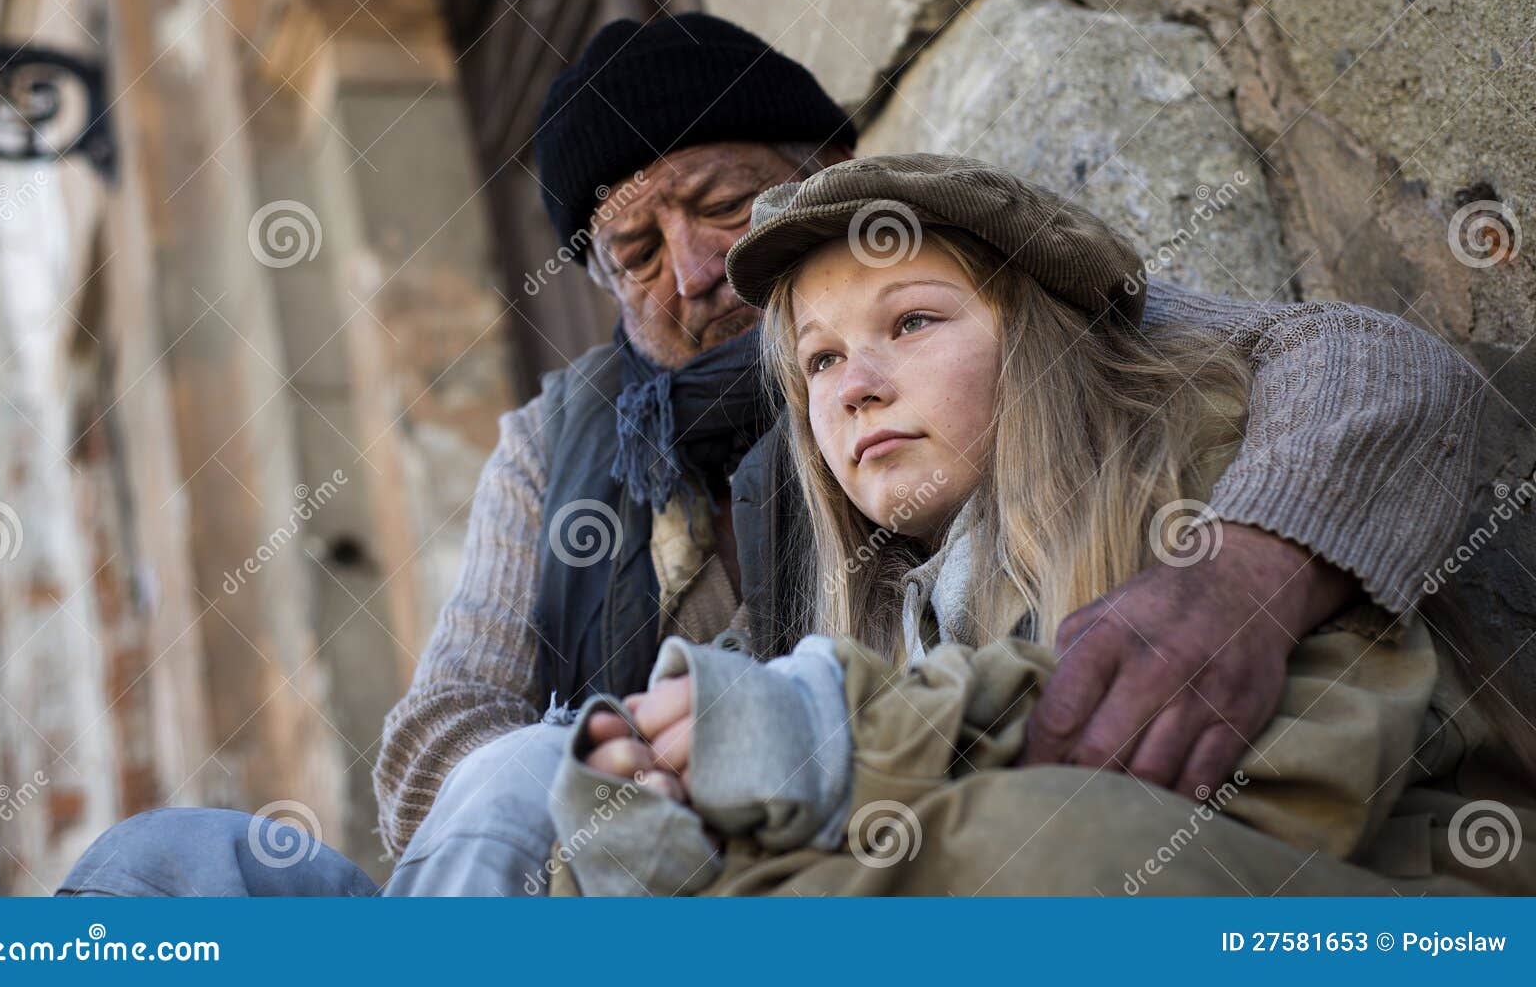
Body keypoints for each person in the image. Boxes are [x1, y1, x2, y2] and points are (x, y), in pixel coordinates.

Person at [58, 15, 1484, 897]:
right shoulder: (555, 447)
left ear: (834, 176)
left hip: (851, 840)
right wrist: (634, 769)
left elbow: (1365, 366)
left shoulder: (991, 327)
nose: (702, 267)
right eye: (634, 248)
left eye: (731, 202)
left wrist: (1233, 581)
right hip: (602, 867)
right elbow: (441, 740)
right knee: (163, 876)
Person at [537, 153, 1536, 896]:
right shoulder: (857, 615)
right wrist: (663, 837)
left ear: (1043, 343)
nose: (854, 390)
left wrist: (856, 739)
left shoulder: (1228, 491)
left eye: (912, 323)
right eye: (822, 361)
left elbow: (1217, 823)